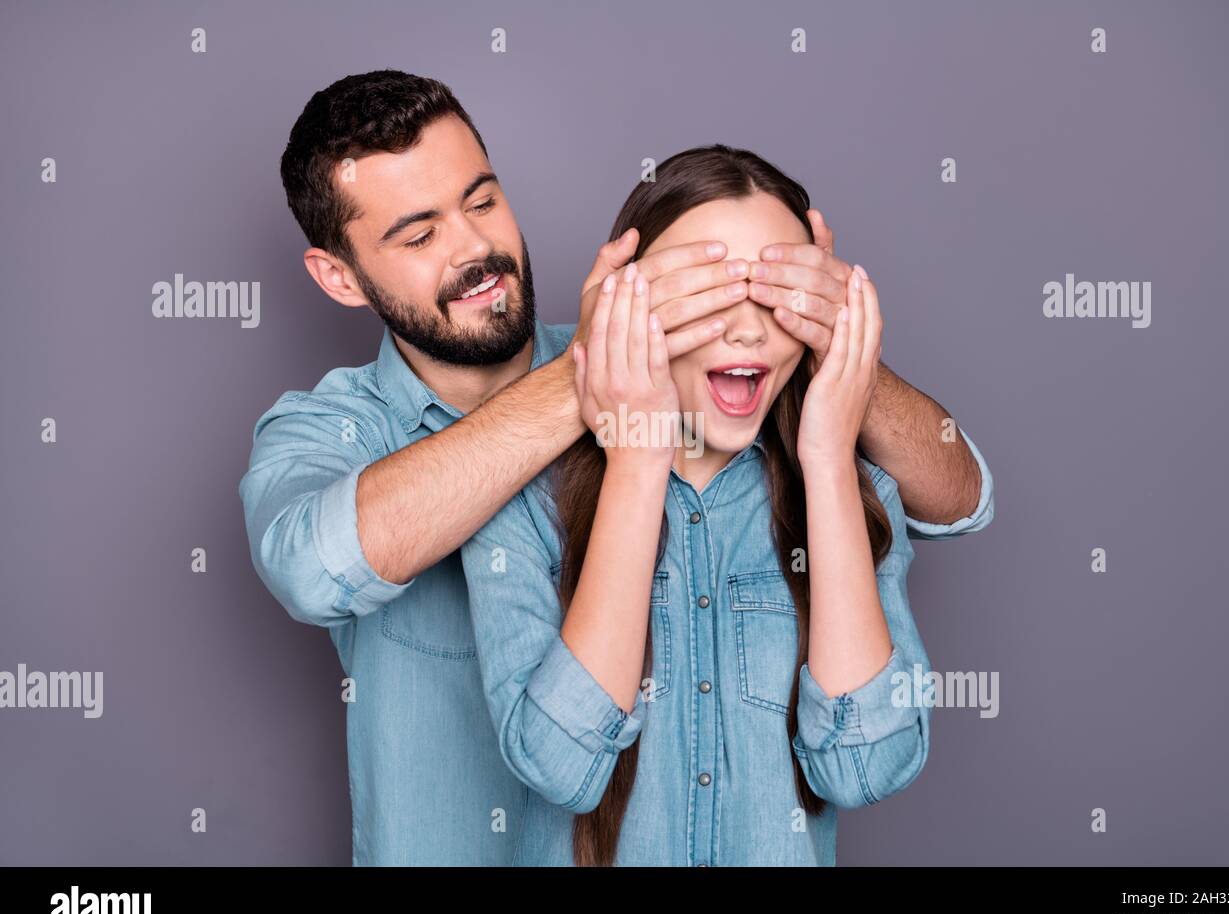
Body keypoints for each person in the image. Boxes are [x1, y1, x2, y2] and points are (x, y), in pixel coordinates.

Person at [240, 70, 992, 866]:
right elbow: (313, 570)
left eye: (483, 200)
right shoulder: (332, 428)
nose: (474, 250)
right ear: (339, 276)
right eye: (419, 236)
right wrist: (587, 378)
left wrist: (822, 333)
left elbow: (960, 496)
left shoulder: (688, 395)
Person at [461, 145, 992, 866]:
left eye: (777, 294)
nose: (747, 330)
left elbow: (865, 768)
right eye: (709, 294)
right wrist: (639, 456)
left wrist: (830, 459)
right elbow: (562, 766)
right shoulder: (524, 499)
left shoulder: (860, 488)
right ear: (628, 307)